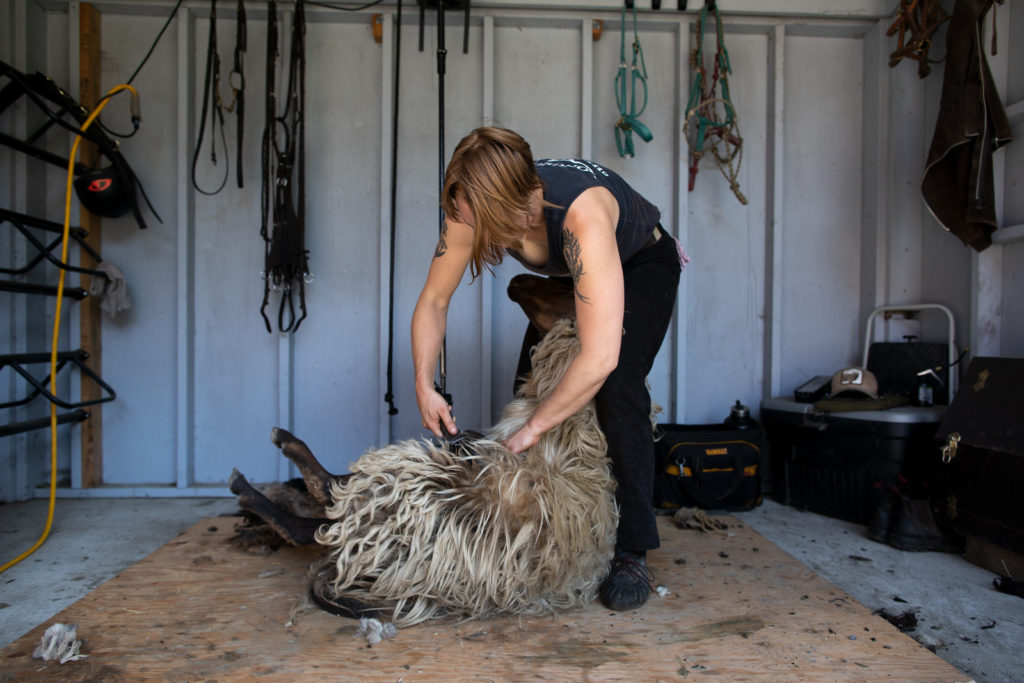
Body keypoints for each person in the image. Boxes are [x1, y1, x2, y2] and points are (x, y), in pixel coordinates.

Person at [411, 127, 684, 611]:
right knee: (534, 381)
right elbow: (434, 299)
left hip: (640, 263)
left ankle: (634, 547)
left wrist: (534, 428)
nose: (469, 231)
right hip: (578, 273)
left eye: (482, 223)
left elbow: (600, 358)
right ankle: (532, 520)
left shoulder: (582, 217)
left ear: (513, 205)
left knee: (617, 386)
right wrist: (424, 382)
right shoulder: (469, 204)